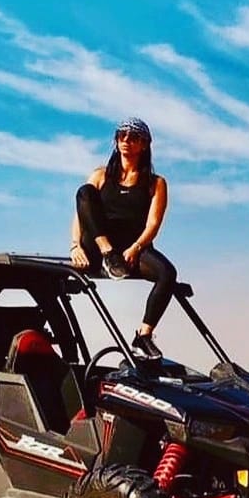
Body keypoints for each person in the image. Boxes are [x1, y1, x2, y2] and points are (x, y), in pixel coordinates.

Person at [70, 117, 176, 360]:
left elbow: (153, 224)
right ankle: (109, 256)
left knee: (167, 274)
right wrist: (75, 245)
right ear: (116, 141)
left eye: (134, 137)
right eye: (122, 136)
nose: (127, 141)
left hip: (132, 248)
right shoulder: (100, 175)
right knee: (84, 192)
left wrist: (136, 247)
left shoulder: (155, 183)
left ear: (145, 144)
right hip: (99, 244)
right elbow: (80, 214)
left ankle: (143, 337)